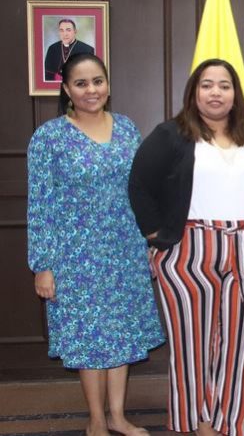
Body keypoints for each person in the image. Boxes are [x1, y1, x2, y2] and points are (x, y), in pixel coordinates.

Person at [128, 59, 244, 436]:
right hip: (189, 251)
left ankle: (235, 422)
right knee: (191, 348)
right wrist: (155, 236)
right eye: (207, 85)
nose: (216, 93)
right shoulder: (171, 135)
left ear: (235, 94)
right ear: (194, 92)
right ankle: (199, 424)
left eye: (224, 85)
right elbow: (139, 186)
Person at [27, 53, 165, 436]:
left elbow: (141, 190)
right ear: (68, 90)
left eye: (98, 81)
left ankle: (119, 417)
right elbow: (40, 203)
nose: (92, 90)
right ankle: (96, 422)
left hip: (124, 249)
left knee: (121, 333)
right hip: (74, 255)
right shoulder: (49, 137)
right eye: (82, 83)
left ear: (108, 85)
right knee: (88, 338)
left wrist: (151, 239)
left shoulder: (126, 128)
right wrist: (43, 264)